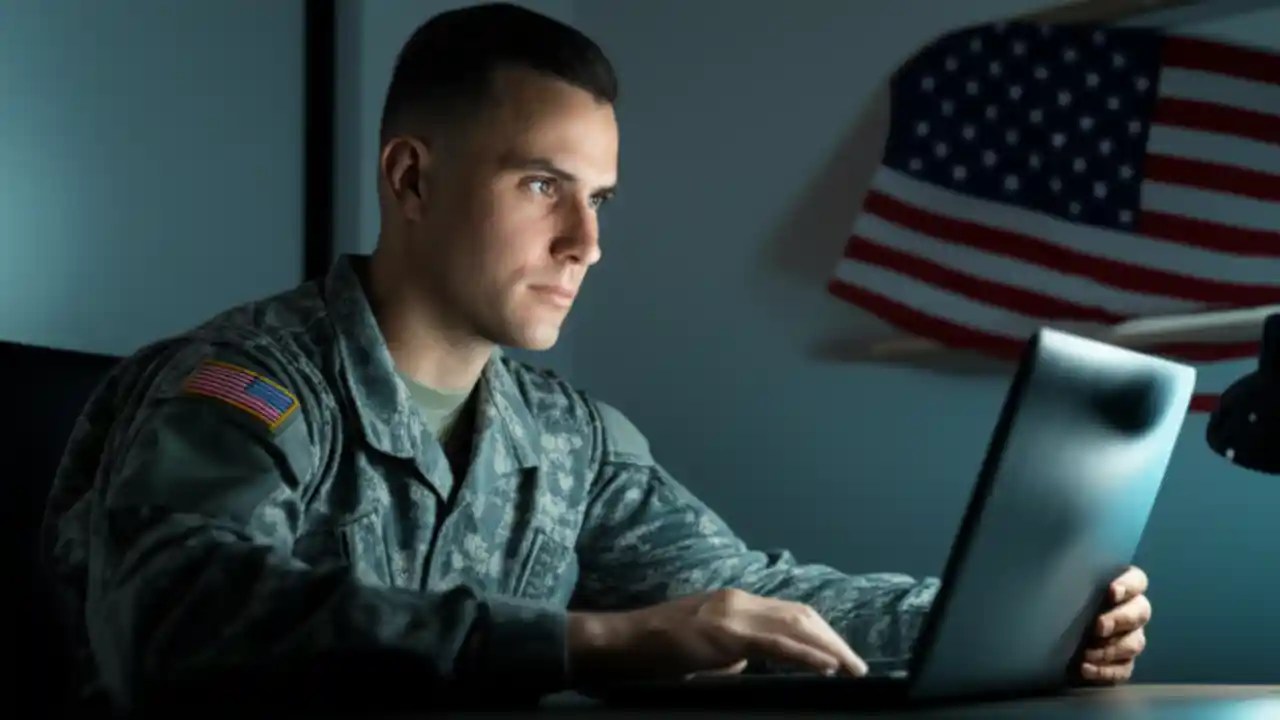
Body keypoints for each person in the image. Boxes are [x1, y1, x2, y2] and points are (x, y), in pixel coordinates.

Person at [41, 2, 1151, 713]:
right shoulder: (250, 384)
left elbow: (744, 598)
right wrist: (593, 643)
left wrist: (1008, 620)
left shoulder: (561, 435)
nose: (587, 242)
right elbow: (170, 622)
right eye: (541, 186)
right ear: (411, 179)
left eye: (599, 197)